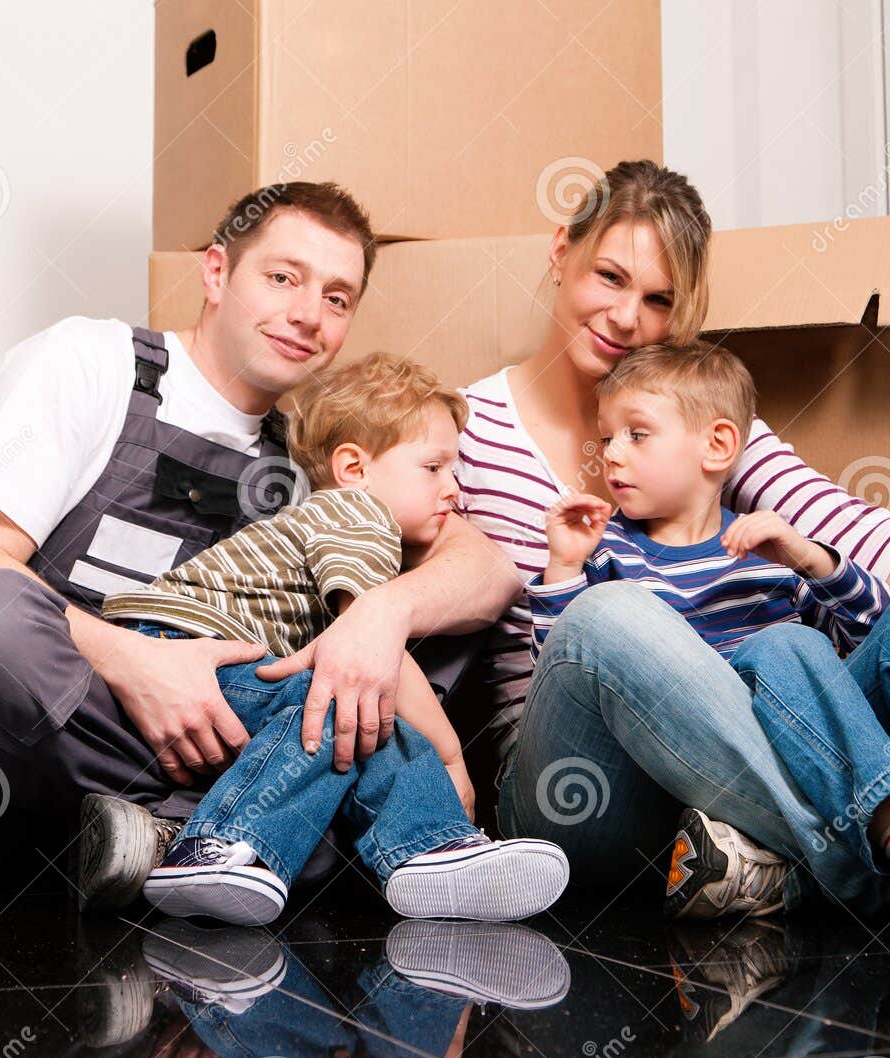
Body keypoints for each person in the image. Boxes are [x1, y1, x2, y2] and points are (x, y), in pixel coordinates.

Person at [0, 182, 521, 884]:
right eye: (282, 278)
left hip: (200, 742)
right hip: (39, 724)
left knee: (408, 661)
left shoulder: (314, 458)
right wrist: (134, 663)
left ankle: (165, 845)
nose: (307, 315)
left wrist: (384, 613)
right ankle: (245, 838)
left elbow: (488, 568)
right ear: (217, 272)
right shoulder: (91, 361)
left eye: (337, 299)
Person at [453, 159, 890, 906]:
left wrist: (815, 560)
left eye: (658, 299)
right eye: (610, 277)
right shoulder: (466, 427)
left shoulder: (711, 432)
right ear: (560, 252)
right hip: (586, 784)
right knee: (609, 617)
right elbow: (397, 551)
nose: (628, 318)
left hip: (742, 771)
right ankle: (874, 870)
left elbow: (861, 539)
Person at [94, 351, 567, 926]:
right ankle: (223, 845)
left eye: (457, 473)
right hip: (179, 648)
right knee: (353, 704)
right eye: (434, 468)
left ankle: (427, 853)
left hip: (187, 653)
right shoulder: (356, 514)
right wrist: (449, 757)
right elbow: (374, 647)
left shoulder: (324, 517)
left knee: (347, 724)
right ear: (354, 468)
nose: (455, 492)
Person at [528, 338, 890, 941]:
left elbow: (879, 644)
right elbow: (565, 670)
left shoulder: (768, 548)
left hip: (818, 748)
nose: (611, 457)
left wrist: (813, 562)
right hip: (696, 766)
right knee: (785, 646)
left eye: (637, 434)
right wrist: (564, 570)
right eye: (607, 438)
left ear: (719, 445)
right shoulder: (608, 551)